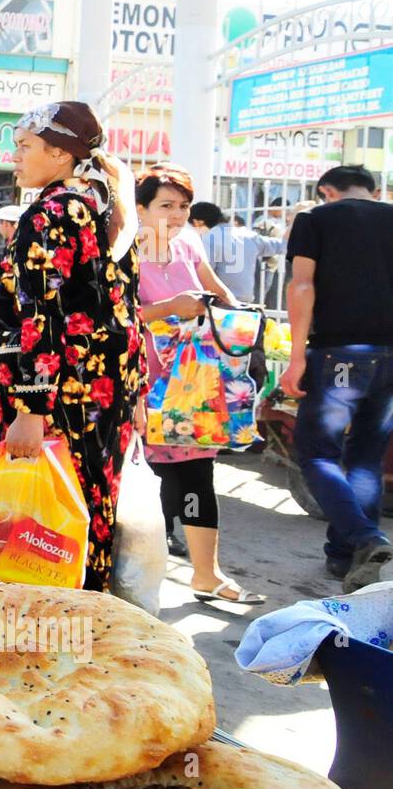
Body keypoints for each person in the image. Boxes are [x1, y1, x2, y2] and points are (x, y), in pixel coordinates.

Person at [0, 101, 147, 593]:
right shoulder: (101, 207)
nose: (14, 156)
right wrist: (137, 390)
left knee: (43, 525)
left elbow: (41, 317)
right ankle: (84, 625)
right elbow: (126, 310)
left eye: (25, 146)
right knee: (86, 513)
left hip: (60, 398)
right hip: (102, 392)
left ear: (60, 154)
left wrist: (32, 408)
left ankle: (43, 633)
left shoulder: (53, 213)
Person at [135, 163, 262, 603]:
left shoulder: (189, 241)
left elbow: (216, 288)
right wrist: (170, 306)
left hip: (197, 382)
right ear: (140, 208)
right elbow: (114, 316)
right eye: (165, 205)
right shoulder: (125, 250)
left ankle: (206, 573)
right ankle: (136, 574)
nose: (176, 215)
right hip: (146, 384)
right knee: (153, 479)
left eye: (183, 206)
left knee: (196, 474)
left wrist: (239, 314)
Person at [283, 164, 393, 592]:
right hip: (390, 355)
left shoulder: (315, 219)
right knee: (365, 457)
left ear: (326, 190)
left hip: (340, 352)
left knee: (317, 453)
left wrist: (296, 357)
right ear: (374, 189)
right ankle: (344, 557)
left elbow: (302, 286)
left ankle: (366, 537)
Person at [188, 200, 283, 305]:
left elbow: (204, 275)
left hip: (219, 303)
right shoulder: (248, 235)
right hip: (246, 303)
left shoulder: (208, 239)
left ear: (198, 222)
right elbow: (282, 246)